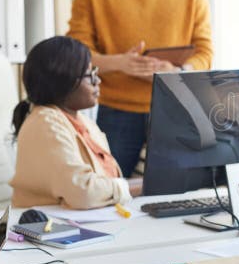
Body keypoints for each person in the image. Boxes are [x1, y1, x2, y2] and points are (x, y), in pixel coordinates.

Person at [68, 0, 213, 177]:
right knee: (110, 193)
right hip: (117, 111)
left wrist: (177, 71)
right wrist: (120, 63)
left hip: (175, 109)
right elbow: (77, 53)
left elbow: (205, 53)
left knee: (177, 192)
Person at [10, 36, 142, 210]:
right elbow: (83, 192)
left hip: (93, 220)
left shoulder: (83, 122)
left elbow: (108, 182)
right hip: (55, 229)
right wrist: (143, 186)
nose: (98, 81)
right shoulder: (46, 123)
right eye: (90, 75)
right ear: (64, 81)